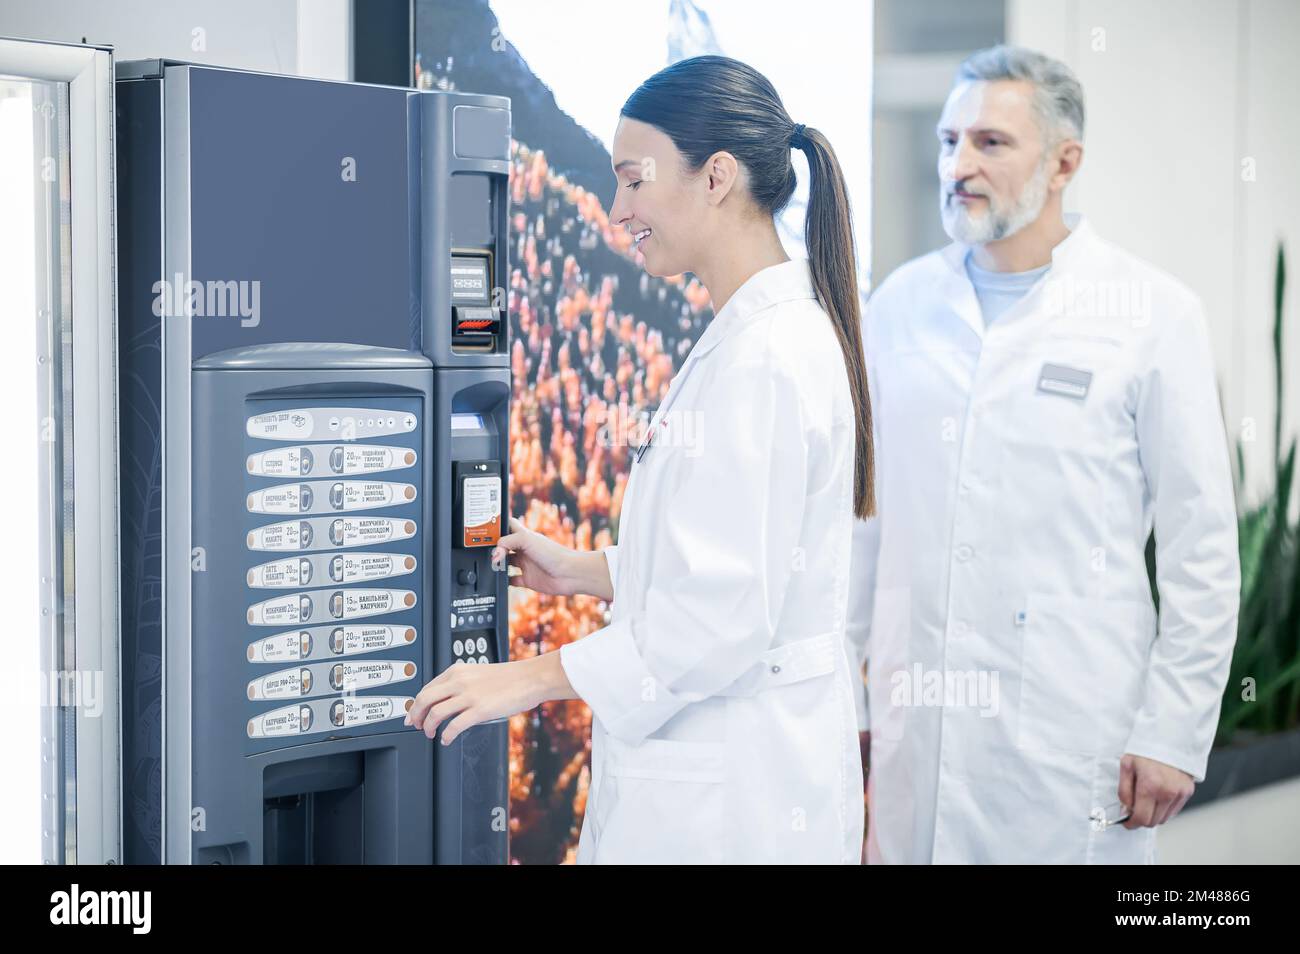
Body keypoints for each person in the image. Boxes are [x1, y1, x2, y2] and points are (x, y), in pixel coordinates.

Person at [405, 54, 874, 863]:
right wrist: (585, 571)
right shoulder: (767, 334)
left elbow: (719, 621)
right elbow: (744, 565)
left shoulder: (762, 357)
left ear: (716, 177)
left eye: (633, 180)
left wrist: (519, 681)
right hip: (745, 780)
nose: (617, 208)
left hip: (730, 806)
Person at [849, 45, 1240, 864]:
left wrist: (1174, 730)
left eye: (991, 142)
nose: (959, 163)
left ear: (1065, 162)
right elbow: (864, 522)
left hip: (1071, 737)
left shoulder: (1151, 315)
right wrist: (846, 694)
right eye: (950, 141)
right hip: (914, 726)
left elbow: (1202, 545)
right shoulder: (900, 307)